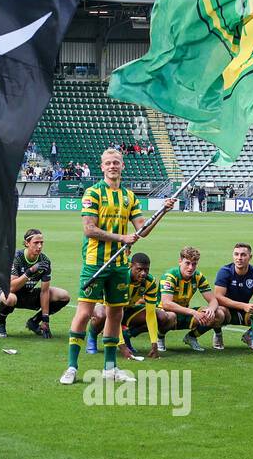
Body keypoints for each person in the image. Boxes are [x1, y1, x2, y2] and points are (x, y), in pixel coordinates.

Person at [61, 147, 171, 386]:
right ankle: (71, 367)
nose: (112, 166)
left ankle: (110, 369)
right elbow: (88, 229)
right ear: (102, 167)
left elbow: (142, 229)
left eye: (116, 163)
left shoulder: (129, 196)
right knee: (84, 313)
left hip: (120, 265)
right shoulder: (93, 193)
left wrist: (162, 211)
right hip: (95, 263)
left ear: (122, 166)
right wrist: (121, 238)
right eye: (108, 163)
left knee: (115, 314)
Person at [0, 228, 71, 340]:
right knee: (10, 298)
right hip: (7, 292)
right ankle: (1, 323)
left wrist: (45, 320)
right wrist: (30, 272)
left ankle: (34, 322)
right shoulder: (16, 257)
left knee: (64, 296)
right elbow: (11, 287)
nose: (39, 246)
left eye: (41, 243)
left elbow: (45, 291)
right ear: (27, 243)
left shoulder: (45, 261)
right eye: (36, 243)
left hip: (28, 293)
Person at [209, 243, 253, 353]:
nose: (239, 258)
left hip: (246, 312)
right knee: (218, 311)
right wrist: (243, 305)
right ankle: (218, 334)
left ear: (250, 257)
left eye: (243, 255)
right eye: (236, 254)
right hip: (227, 311)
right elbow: (218, 297)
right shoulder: (225, 271)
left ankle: (250, 335)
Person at [99, 251, 169, 361]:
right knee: (102, 315)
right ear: (131, 266)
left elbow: (150, 315)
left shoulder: (150, 283)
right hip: (107, 308)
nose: (143, 273)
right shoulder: (120, 279)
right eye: (139, 269)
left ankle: (127, 334)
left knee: (161, 315)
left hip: (128, 309)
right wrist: (122, 346)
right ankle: (93, 336)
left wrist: (154, 343)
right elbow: (113, 313)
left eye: (146, 270)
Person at [158, 246, 224, 353]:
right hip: (165, 314)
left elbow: (213, 300)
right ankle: (160, 338)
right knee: (170, 316)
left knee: (219, 314)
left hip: (185, 312)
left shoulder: (198, 276)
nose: (190, 268)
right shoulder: (170, 276)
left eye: (194, 264)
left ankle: (191, 337)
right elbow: (166, 304)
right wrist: (193, 312)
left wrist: (211, 309)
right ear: (180, 261)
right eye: (187, 263)